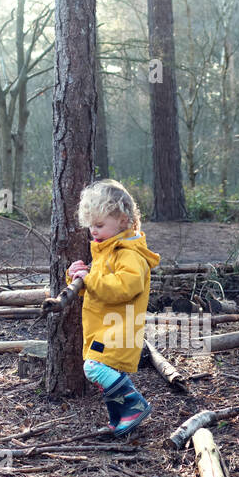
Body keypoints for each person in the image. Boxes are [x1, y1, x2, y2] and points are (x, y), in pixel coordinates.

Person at [67, 180, 161, 436]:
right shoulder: (107, 251)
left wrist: (89, 279)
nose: (93, 232)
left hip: (119, 327)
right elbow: (100, 287)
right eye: (90, 226)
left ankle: (134, 405)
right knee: (101, 374)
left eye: (99, 225)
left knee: (94, 368)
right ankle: (119, 416)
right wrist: (78, 277)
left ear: (121, 220)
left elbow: (123, 287)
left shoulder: (129, 254)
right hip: (105, 326)